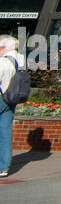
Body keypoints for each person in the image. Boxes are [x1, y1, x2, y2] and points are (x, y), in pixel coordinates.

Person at [0, 35, 25, 178]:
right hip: (12, 98)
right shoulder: (20, 59)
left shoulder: (2, 62)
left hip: (1, 95)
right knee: (5, 132)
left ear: (3, 48)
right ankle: (3, 167)